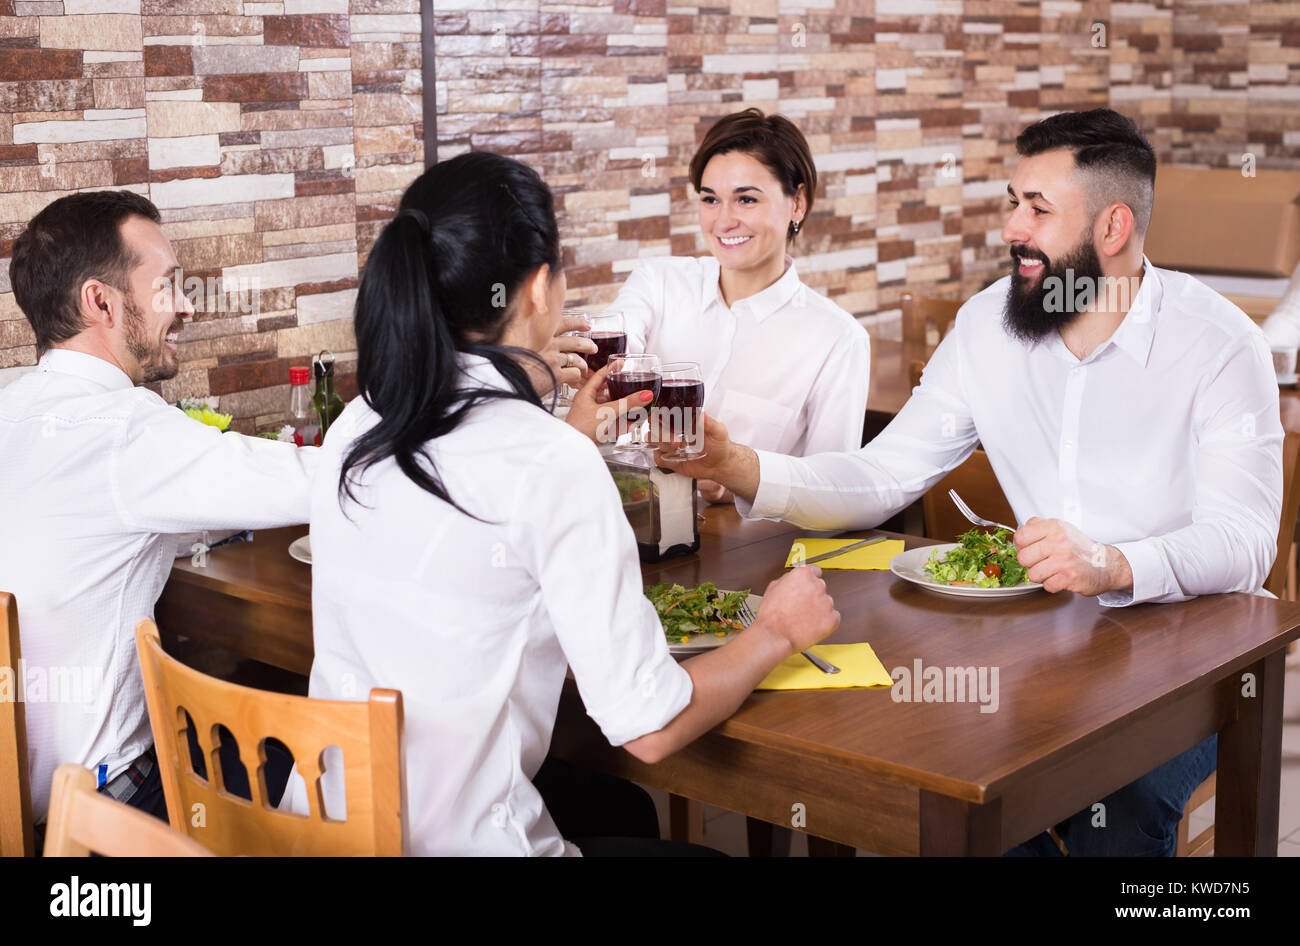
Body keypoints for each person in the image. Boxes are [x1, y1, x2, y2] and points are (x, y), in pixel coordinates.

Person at [656, 109, 1283, 857]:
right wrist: (738, 466)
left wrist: (1115, 563)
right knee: (963, 785)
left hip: (1198, 653)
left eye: (1037, 210)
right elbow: (885, 472)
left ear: (1112, 229)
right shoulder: (988, 324)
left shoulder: (1219, 344)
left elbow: (1246, 543)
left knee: (1113, 813)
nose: (1013, 227)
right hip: (1051, 647)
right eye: (1013, 201)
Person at [281, 150, 840, 856]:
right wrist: (778, 630)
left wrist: (565, 438)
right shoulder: (546, 460)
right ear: (540, 288)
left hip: (326, 833)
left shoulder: (358, 422)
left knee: (621, 810)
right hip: (461, 843)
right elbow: (650, 728)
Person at [0, 191, 319, 831]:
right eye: (168, 286)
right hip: (107, 813)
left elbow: (94, 528)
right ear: (102, 302)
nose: (186, 305)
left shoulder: (13, 411)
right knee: (330, 765)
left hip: (16, 812)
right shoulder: (124, 429)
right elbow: (320, 481)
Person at [605, 108, 871, 501]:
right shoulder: (657, 283)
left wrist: (734, 481)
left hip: (751, 554)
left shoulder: (837, 339)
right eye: (711, 199)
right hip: (636, 531)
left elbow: (832, 492)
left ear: (797, 203)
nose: (724, 221)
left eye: (746, 200)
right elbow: (612, 353)